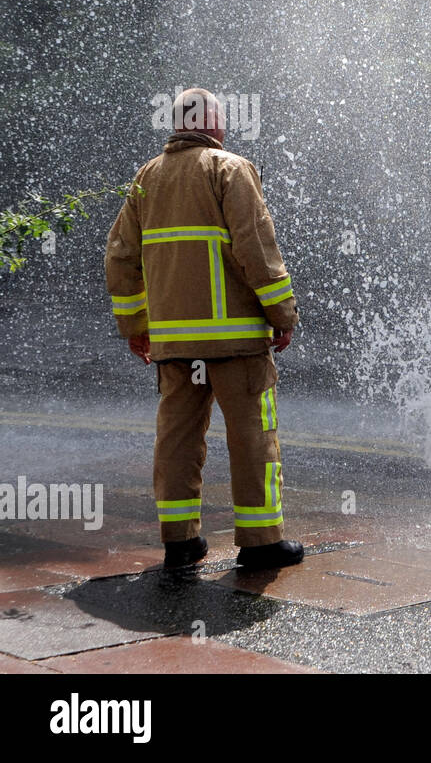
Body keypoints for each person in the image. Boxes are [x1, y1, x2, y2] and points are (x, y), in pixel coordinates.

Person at [105, 88, 303, 571]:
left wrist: (136, 326)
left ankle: (180, 543)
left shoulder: (146, 179)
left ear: (177, 127)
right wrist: (283, 314)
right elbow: (256, 249)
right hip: (235, 342)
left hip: (175, 345)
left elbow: (120, 258)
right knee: (252, 435)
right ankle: (260, 543)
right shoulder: (230, 169)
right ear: (214, 124)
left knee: (177, 439)